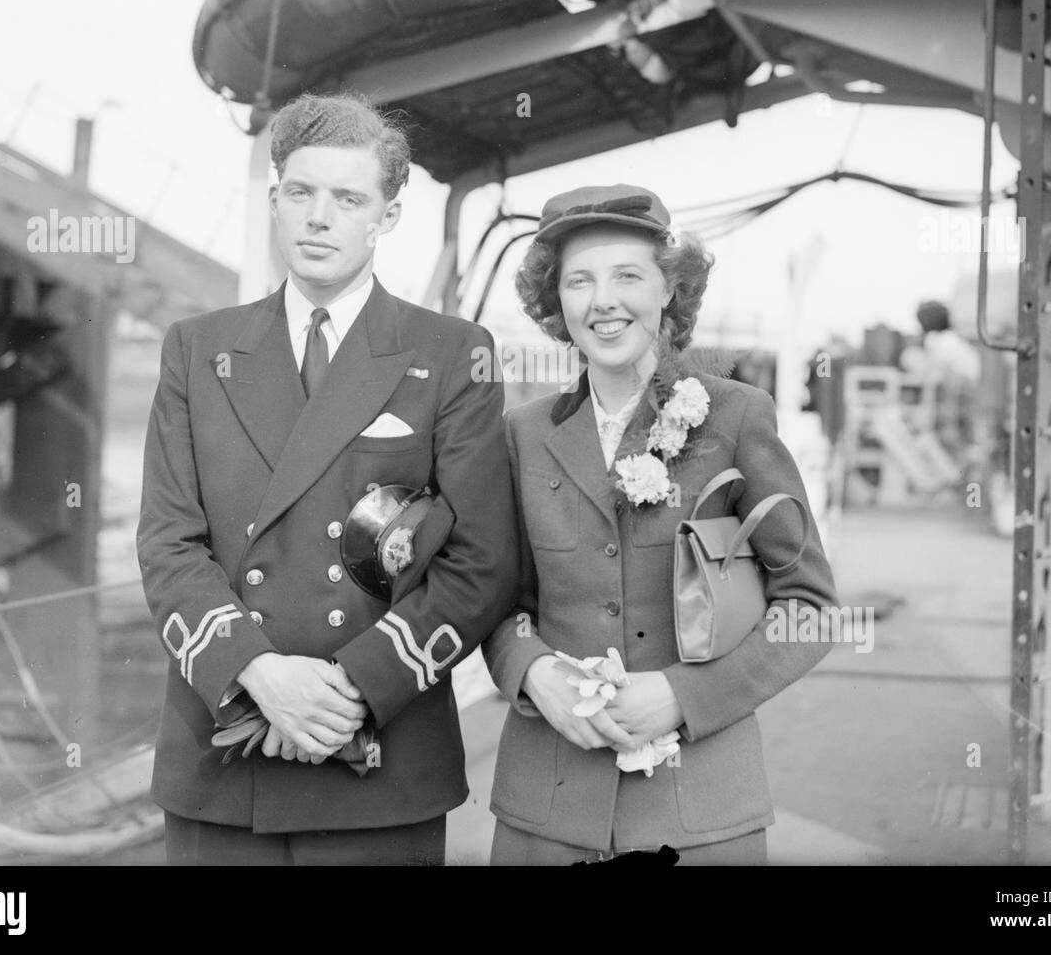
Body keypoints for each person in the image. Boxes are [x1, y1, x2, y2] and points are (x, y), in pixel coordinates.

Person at [137, 92, 517, 865]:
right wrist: (259, 675)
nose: (319, 217)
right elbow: (168, 543)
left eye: (348, 199)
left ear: (388, 215)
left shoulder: (451, 353)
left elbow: (481, 562)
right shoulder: (196, 350)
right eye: (301, 193)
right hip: (226, 751)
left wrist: (348, 690)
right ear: (275, 201)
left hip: (378, 759)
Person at [481, 184, 839, 864]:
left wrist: (683, 695)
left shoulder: (736, 416)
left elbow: (810, 609)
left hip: (697, 813)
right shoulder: (521, 435)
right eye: (579, 280)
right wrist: (532, 674)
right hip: (547, 809)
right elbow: (496, 602)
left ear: (669, 290)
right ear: (556, 300)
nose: (603, 300)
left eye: (627, 276)